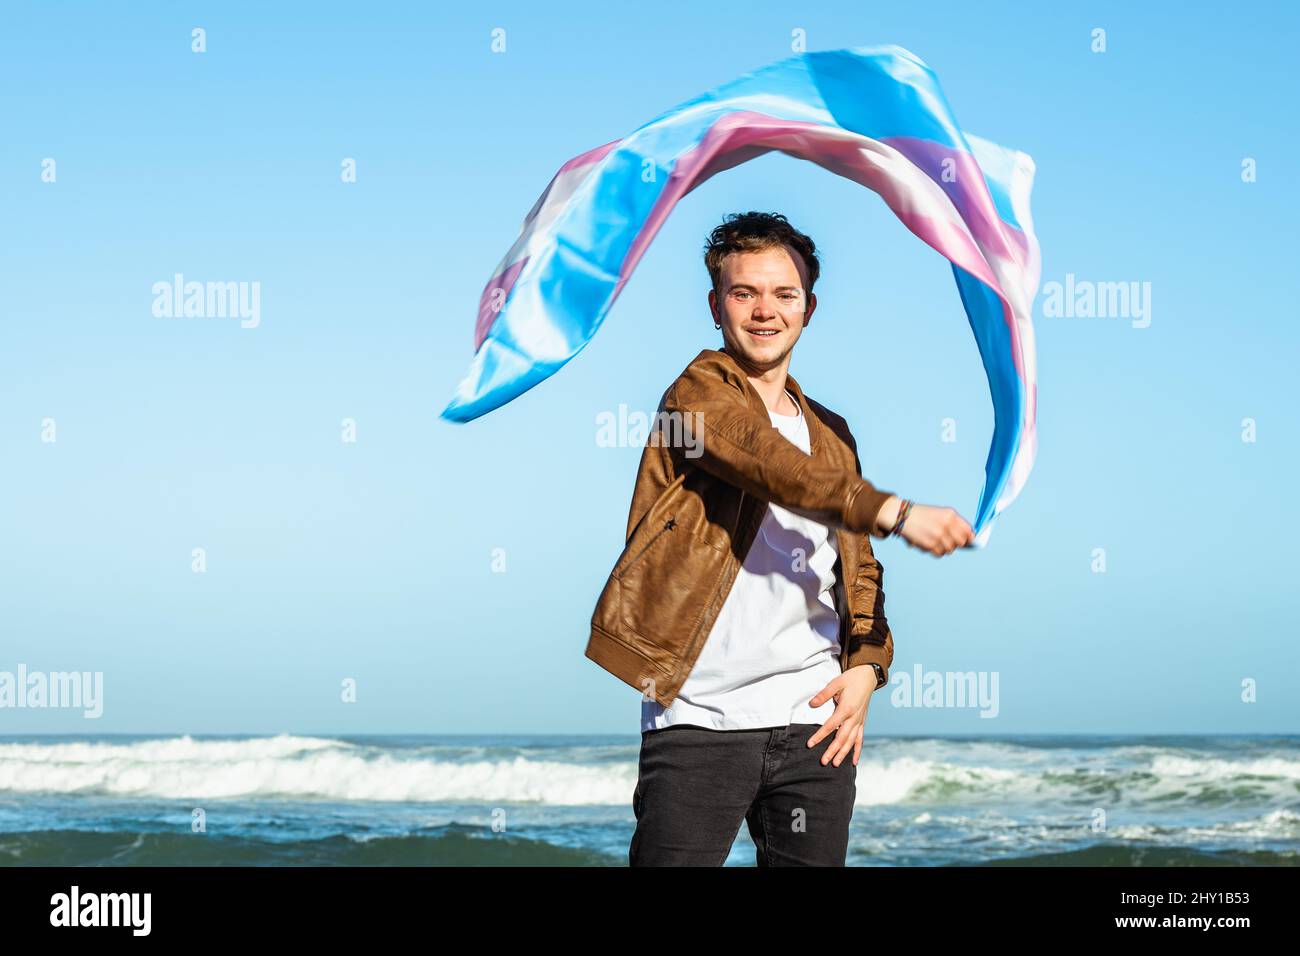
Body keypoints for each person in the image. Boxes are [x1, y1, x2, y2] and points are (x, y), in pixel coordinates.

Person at [585, 211, 974, 866]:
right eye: (745, 293)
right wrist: (897, 510)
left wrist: (868, 667)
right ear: (716, 305)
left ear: (809, 307)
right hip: (698, 719)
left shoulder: (832, 430)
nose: (765, 311)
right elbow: (769, 464)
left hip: (814, 724)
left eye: (784, 294)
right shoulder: (694, 399)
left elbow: (857, 567)